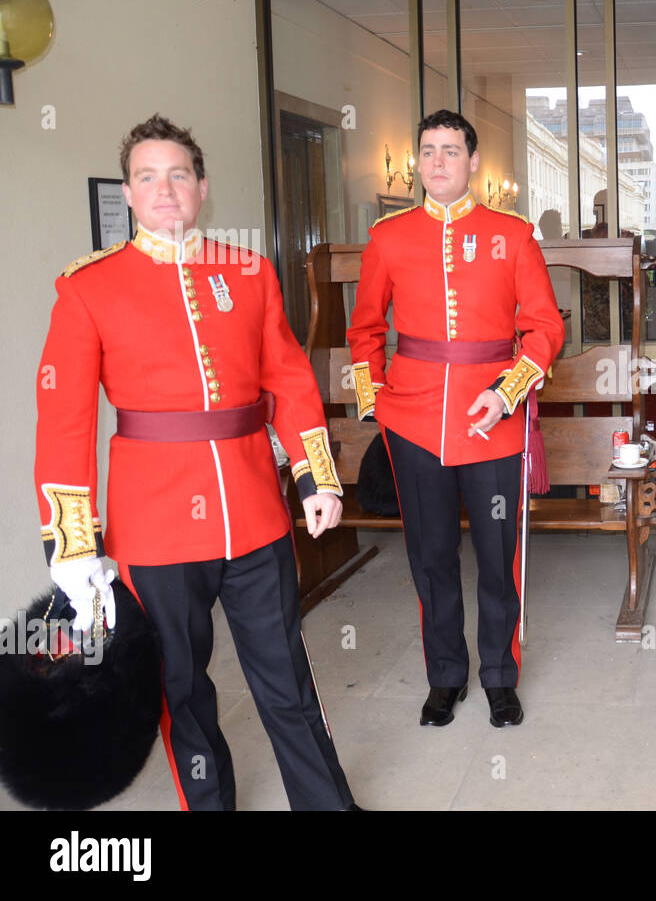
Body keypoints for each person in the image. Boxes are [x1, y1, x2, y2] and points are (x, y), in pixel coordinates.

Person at [35, 114, 356, 811]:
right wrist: (73, 547)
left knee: (286, 680)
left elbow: (290, 380)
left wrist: (315, 475)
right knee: (181, 691)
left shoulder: (249, 272)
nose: (164, 189)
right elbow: (64, 422)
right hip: (154, 531)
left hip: (253, 515)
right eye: (147, 176)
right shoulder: (89, 286)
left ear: (202, 186)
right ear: (128, 191)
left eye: (178, 174)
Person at [347, 109, 564, 728]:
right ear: (417, 162)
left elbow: (544, 328)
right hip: (413, 421)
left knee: (497, 560)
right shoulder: (387, 238)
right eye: (428, 150)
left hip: (492, 415)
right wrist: (376, 400)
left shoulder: (513, 233)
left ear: (473, 162)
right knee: (432, 558)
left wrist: (508, 392)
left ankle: (499, 676)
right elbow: (364, 329)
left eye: (450, 150)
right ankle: (445, 677)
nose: (438, 161)